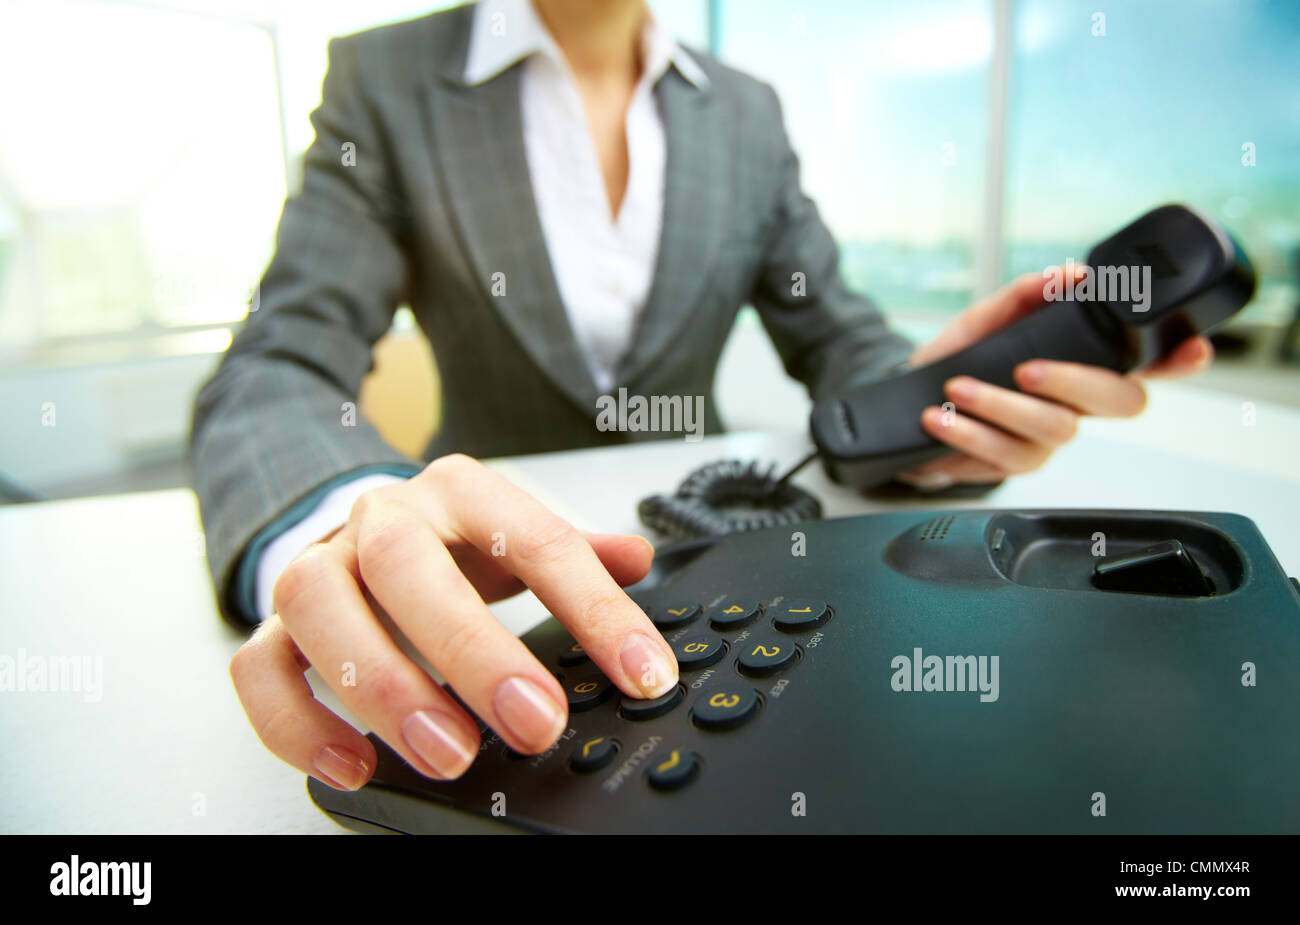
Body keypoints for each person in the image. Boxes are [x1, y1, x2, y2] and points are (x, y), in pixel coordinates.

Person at [194, 0, 1212, 792]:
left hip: (719, 579)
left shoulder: (745, 110)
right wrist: (344, 526)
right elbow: (278, 363)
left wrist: (934, 409)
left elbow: (835, 334)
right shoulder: (384, 78)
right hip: (483, 589)